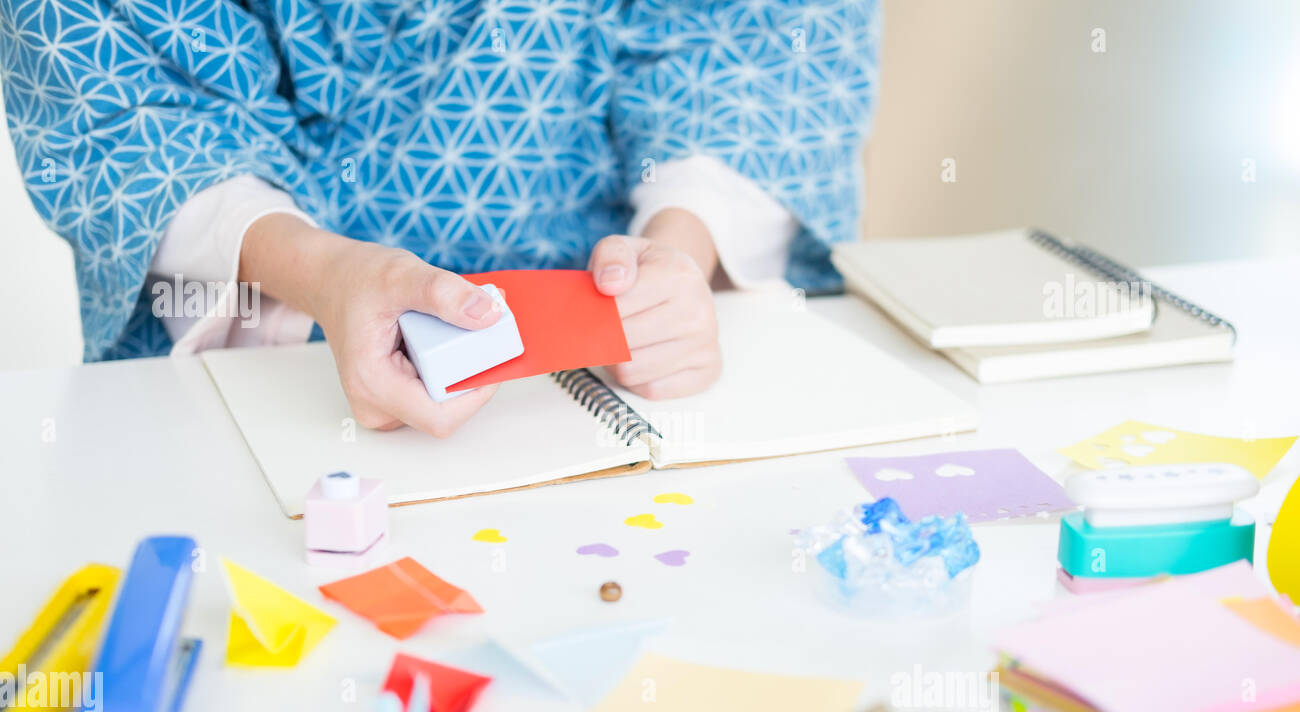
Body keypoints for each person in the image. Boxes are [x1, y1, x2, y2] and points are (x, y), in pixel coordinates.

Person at [1, 0, 879, 436]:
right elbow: (120, 86)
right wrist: (325, 273)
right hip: (279, 369)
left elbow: (752, 43)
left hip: (623, 387)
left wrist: (673, 260)